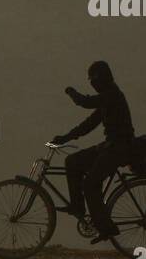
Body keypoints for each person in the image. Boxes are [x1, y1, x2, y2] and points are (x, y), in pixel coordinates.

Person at [50, 60, 134, 244]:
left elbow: (84, 102)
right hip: (110, 146)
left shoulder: (112, 95)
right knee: (72, 162)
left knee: (90, 185)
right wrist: (65, 138)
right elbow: (88, 125)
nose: (92, 84)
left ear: (100, 79)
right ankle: (77, 207)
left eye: (93, 80)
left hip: (119, 148)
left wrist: (70, 91)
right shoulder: (107, 97)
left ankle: (106, 228)